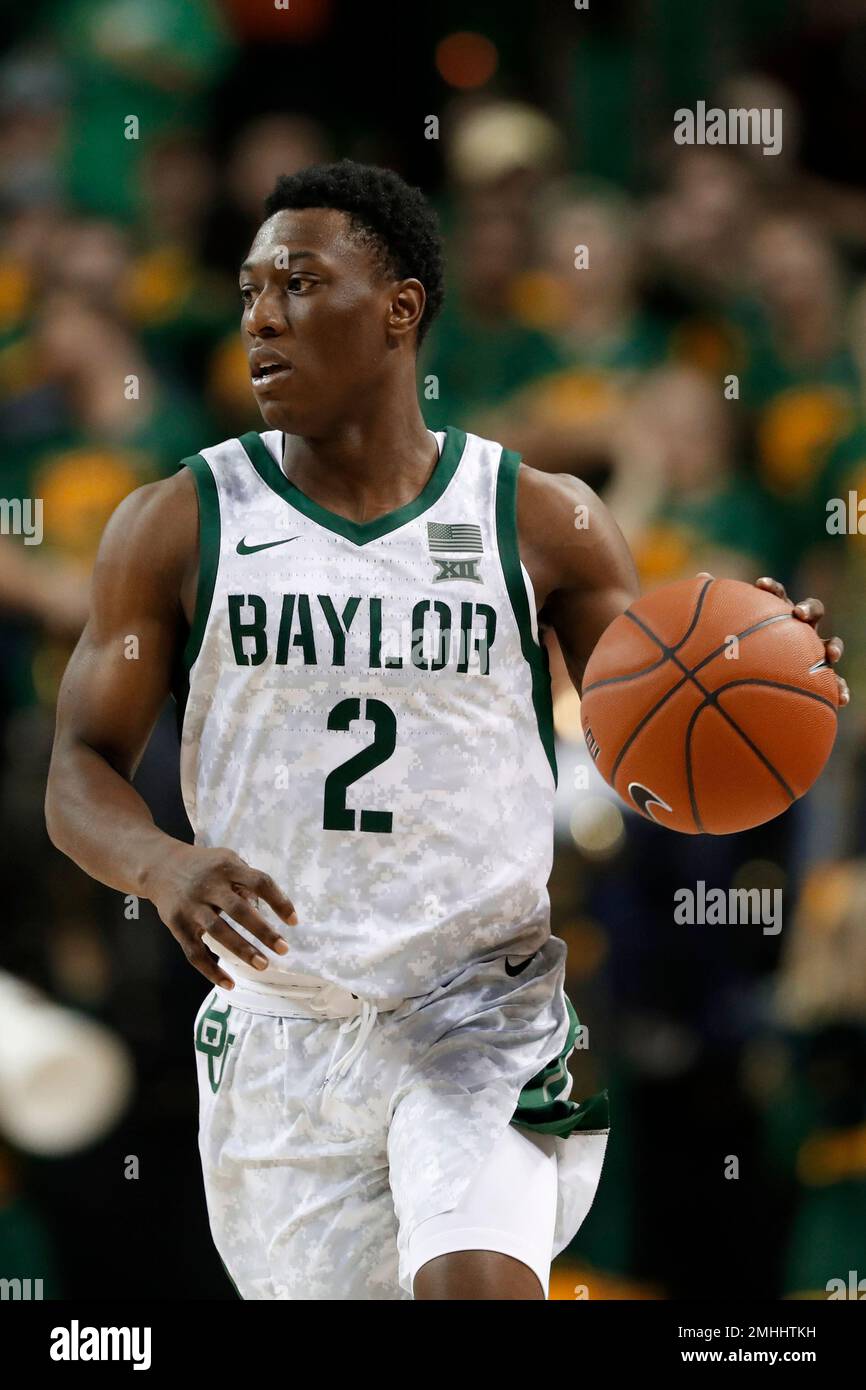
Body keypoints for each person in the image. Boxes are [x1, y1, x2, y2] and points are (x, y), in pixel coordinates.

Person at [43, 161, 848, 1301]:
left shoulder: (542, 518)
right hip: (286, 1032)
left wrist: (755, 666)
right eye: (247, 289)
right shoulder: (175, 521)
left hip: (483, 1012)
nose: (259, 317)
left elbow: (651, 743)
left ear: (399, 311)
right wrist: (160, 863)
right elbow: (77, 770)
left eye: (299, 284)